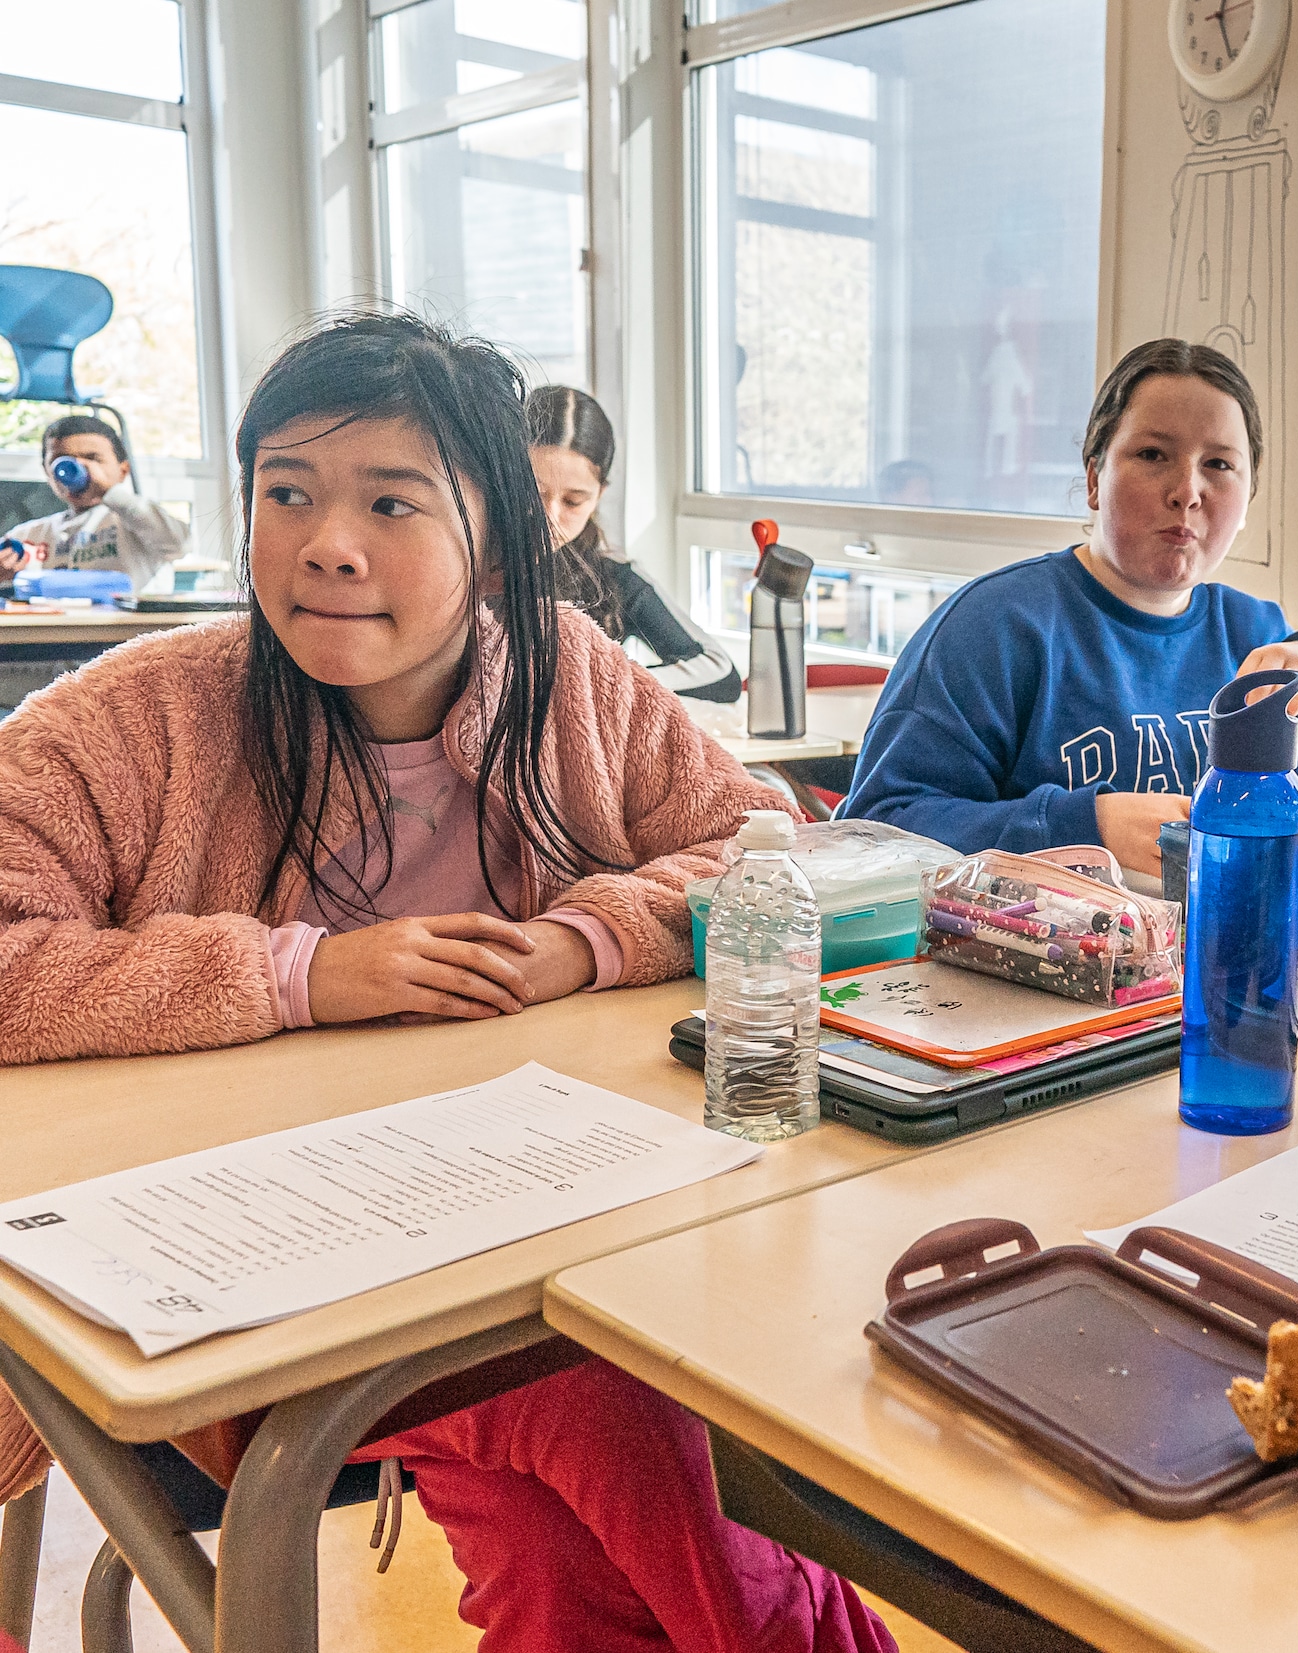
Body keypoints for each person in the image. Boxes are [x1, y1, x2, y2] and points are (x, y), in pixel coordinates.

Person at [0, 312, 892, 1653]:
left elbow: (769, 845)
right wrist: (303, 973)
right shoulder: (142, 716)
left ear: (499, 536)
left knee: (564, 1549)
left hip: (543, 1233)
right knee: (627, 1413)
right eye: (286, 493)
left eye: (391, 502)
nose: (328, 542)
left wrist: (587, 935)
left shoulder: (566, 675)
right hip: (242, 1287)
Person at [842, 337, 1298, 871]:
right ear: (1095, 479)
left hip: (1211, 962)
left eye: (1219, 464)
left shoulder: (1257, 636)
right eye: (1152, 454)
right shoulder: (993, 629)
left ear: (1248, 499)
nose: (1187, 490)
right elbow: (874, 834)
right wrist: (1083, 828)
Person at [528, 385, 740, 703]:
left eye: (573, 501)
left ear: (599, 495)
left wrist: (606, 682)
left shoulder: (610, 576)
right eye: (533, 492)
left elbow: (718, 673)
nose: (550, 518)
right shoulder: (465, 562)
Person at [0, 413, 190, 590]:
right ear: (47, 471)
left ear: (123, 470)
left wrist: (110, 491)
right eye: (61, 460)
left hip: (128, 624)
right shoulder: (29, 535)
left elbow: (180, 544)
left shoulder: (135, 521)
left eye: (92, 458)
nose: (75, 468)